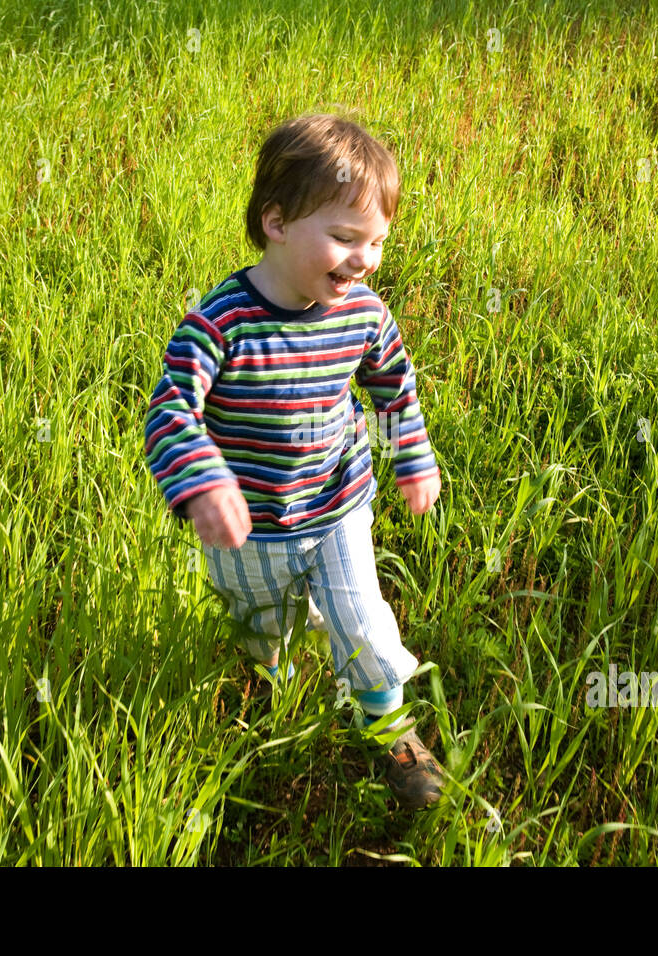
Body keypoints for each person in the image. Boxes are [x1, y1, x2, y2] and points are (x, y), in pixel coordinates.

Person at [143, 111, 445, 810]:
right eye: (344, 238)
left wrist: (412, 455)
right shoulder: (220, 323)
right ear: (276, 223)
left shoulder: (363, 313)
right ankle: (267, 683)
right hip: (249, 524)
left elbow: (392, 382)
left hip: (338, 504)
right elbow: (169, 411)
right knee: (260, 625)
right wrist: (202, 479)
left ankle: (389, 728)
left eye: (376, 242)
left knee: (363, 622)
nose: (364, 259)